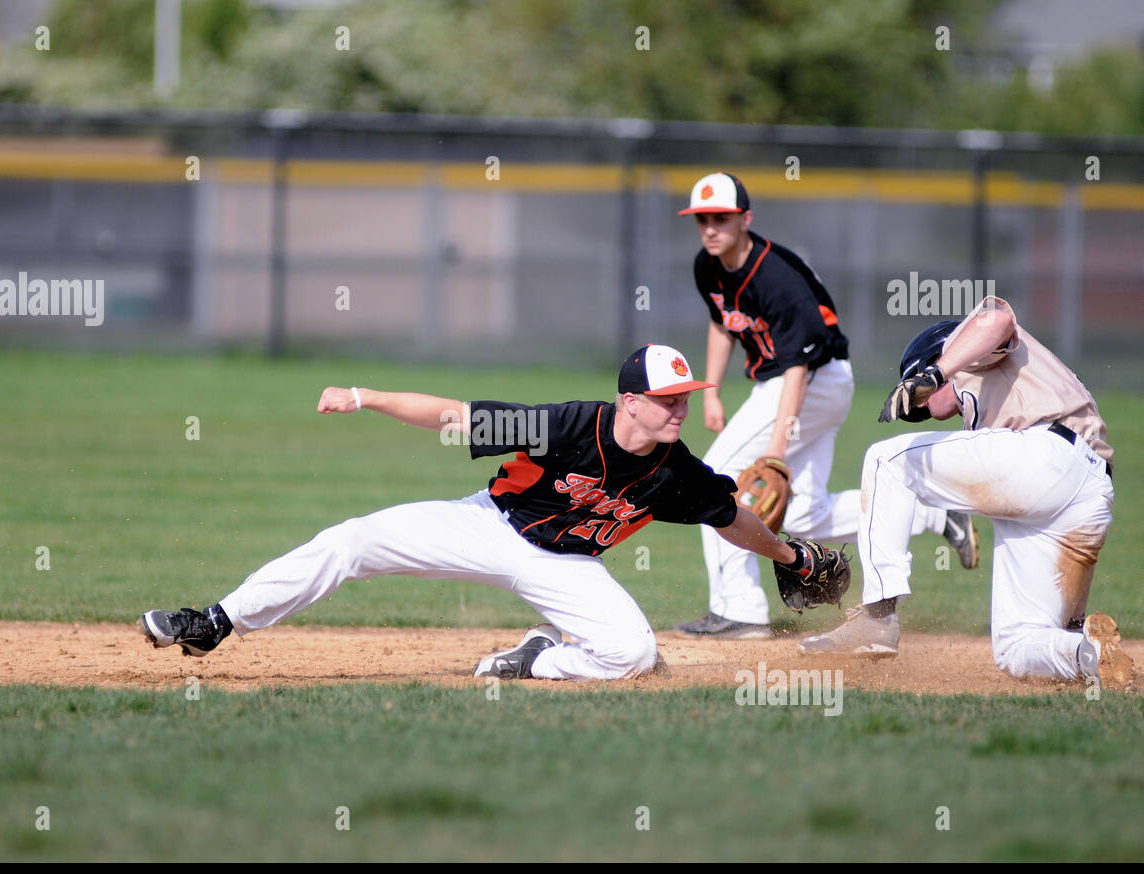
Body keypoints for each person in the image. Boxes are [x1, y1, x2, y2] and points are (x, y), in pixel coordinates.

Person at [138, 344, 830, 681]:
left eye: (686, 396)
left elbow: (734, 517)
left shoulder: (677, 470)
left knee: (635, 654)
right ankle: (213, 622)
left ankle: (536, 658)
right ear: (629, 403)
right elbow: (454, 415)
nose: (681, 406)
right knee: (350, 542)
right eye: (668, 397)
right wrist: (364, 394)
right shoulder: (567, 426)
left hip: (567, 566)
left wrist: (794, 556)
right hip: (487, 525)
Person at [671, 170, 977, 639]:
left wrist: (775, 450)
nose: (710, 227)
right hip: (794, 385)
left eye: (721, 217)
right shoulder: (707, 266)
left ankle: (739, 609)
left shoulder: (777, 278)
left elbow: (798, 371)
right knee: (802, 514)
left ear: (745, 219)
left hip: (814, 381)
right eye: (701, 219)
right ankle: (935, 513)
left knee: (715, 474)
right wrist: (710, 389)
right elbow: (721, 323)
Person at [799, 296, 1134, 690]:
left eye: (920, 402)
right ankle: (1088, 654)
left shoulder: (963, 349)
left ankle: (876, 617)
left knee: (886, 460)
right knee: (1015, 648)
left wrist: (936, 372)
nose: (923, 408)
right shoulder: (990, 401)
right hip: (1083, 496)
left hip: (1052, 453)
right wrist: (1073, 615)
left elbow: (998, 319)